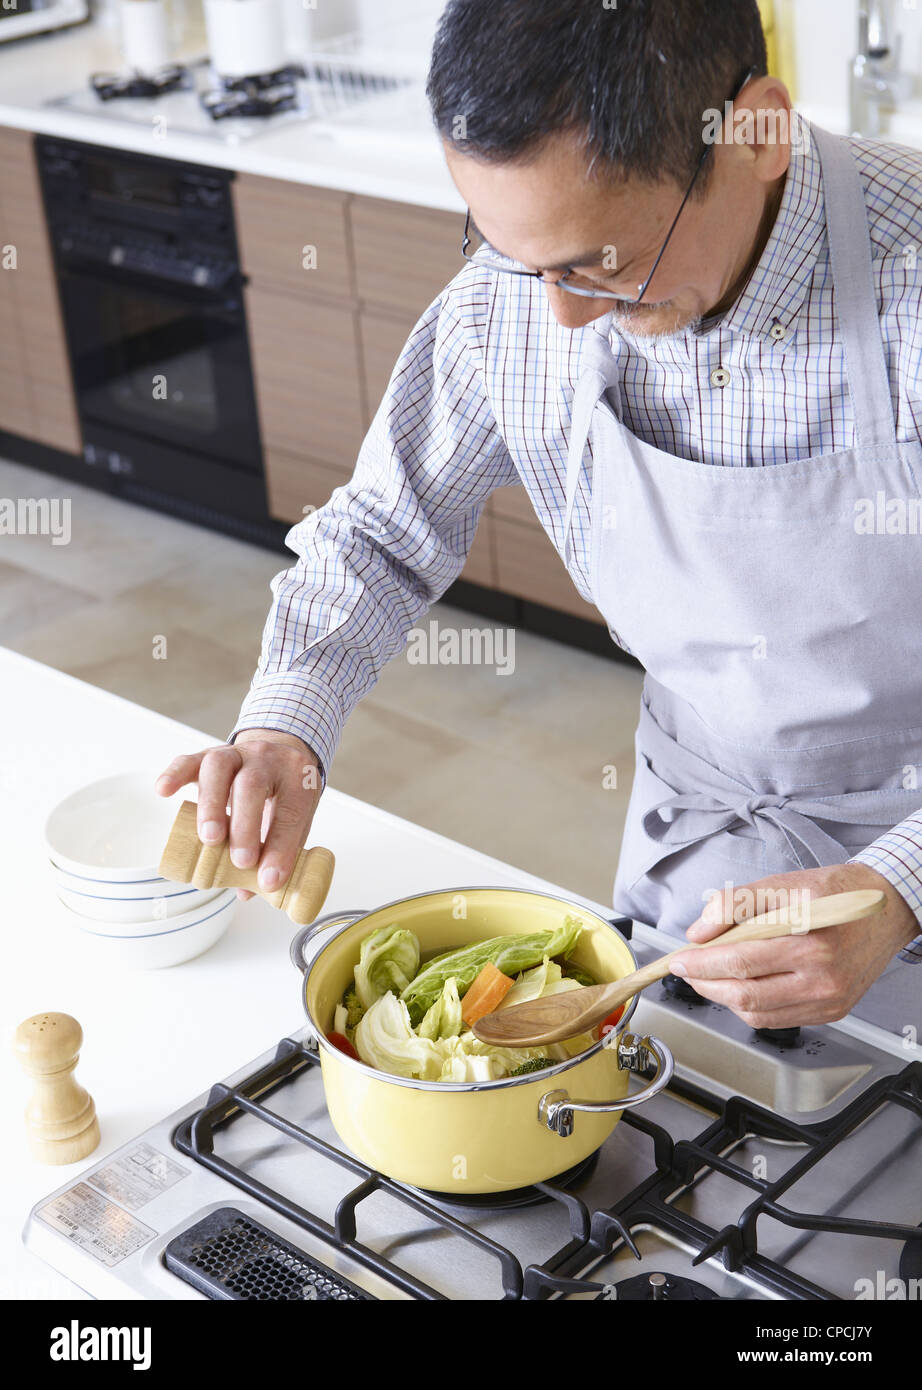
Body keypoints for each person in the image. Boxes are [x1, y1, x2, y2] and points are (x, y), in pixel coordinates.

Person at [157, 0, 922, 1036]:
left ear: (756, 132)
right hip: (697, 861)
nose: (556, 314)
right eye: (513, 252)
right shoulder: (516, 299)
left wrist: (898, 888)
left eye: (603, 263)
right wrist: (285, 724)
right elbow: (384, 530)